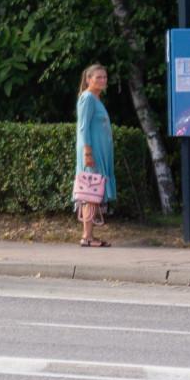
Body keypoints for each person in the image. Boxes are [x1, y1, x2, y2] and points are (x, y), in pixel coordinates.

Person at [74, 64, 118, 247]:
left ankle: (89, 235)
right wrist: (87, 152)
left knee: (94, 192)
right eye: (98, 77)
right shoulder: (87, 98)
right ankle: (87, 236)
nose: (102, 80)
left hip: (100, 152)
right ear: (88, 79)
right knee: (89, 191)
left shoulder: (96, 99)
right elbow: (83, 127)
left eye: (104, 77)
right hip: (92, 153)